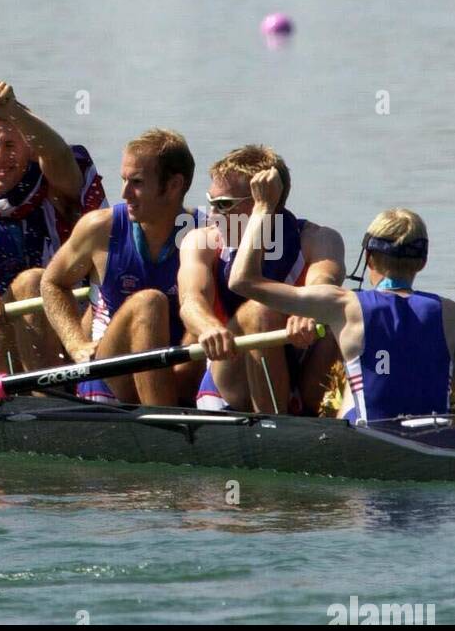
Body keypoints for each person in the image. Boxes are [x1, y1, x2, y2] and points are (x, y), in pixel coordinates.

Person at [229, 175, 454, 423]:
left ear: (368, 258)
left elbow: (242, 280)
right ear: (423, 262)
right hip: (435, 440)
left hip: (368, 439)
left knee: (356, 379)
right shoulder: (448, 312)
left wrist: (262, 208)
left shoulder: (344, 305)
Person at [0, 81, 105, 375]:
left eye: (10, 146)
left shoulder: (58, 191)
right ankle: (52, 399)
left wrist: (13, 110)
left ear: (30, 149)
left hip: (71, 332)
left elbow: (58, 154)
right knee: (33, 282)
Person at [42, 129, 205, 406]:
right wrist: (75, 343)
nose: (124, 193)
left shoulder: (208, 232)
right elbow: (52, 283)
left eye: (137, 182)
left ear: (175, 185)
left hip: (178, 370)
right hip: (110, 374)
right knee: (149, 302)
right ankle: (165, 425)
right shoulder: (100, 228)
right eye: (124, 180)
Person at [178, 145, 343, 414]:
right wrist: (208, 328)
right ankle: (275, 422)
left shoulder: (319, 239)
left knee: (346, 313)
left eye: (223, 205)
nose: (212, 215)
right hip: (232, 373)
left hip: (303, 367)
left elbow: (324, 281)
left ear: (260, 204)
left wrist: (310, 311)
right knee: (260, 310)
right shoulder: (201, 242)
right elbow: (191, 301)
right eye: (210, 203)